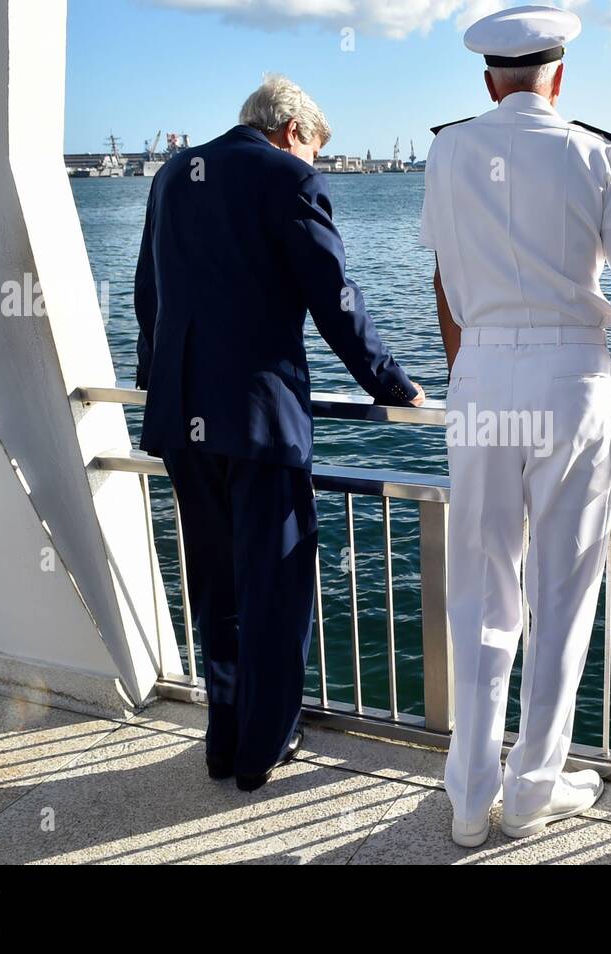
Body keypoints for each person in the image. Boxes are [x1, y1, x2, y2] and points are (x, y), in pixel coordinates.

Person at [135, 74, 423, 792]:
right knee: (276, 586)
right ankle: (264, 748)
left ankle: (222, 740)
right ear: (293, 129)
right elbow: (336, 298)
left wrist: (158, 382)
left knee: (217, 589)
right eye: (316, 151)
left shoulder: (172, 175)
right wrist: (393, 385)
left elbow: (148, 296)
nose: (315, 166)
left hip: (181, 419)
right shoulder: (289, 177)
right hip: (260, 423)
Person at [420, 5, 611, 846]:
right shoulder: (595, 153)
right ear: (558, 76)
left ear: (488, 78)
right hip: (572, 379)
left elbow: (446, 287)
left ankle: (466, 797)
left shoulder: (447, 150)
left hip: (482, 377)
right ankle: (531, 793)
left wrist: (468, 376)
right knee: (562, 591)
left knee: (482, 589)